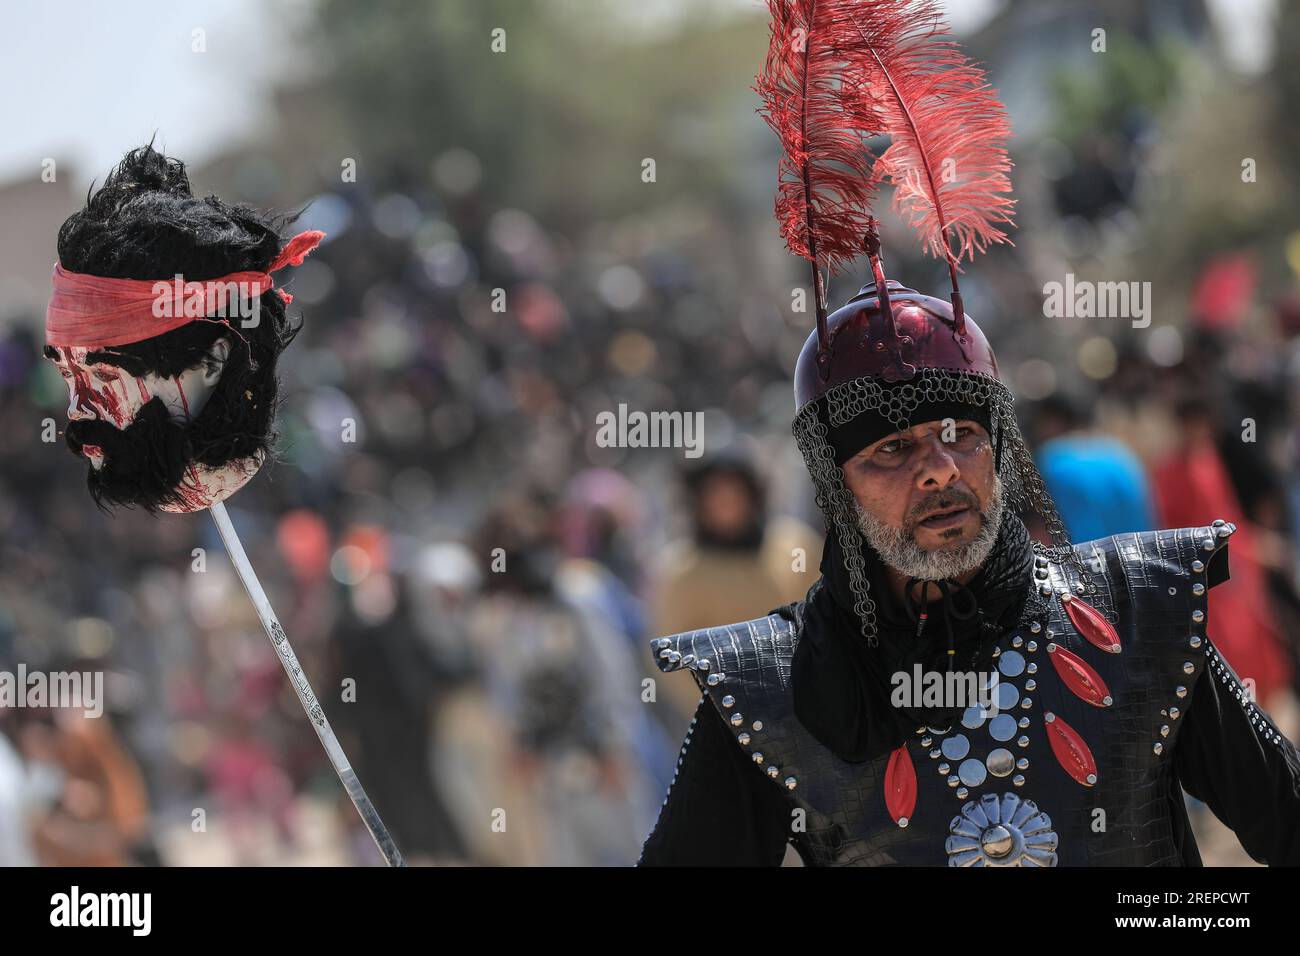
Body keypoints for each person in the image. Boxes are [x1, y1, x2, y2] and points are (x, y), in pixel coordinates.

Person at [637, 1, 1300, 867]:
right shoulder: (771, 688)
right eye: (892, 452)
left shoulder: (1143, 612)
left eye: (960, 433)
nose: (941, 469)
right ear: (835, 486)